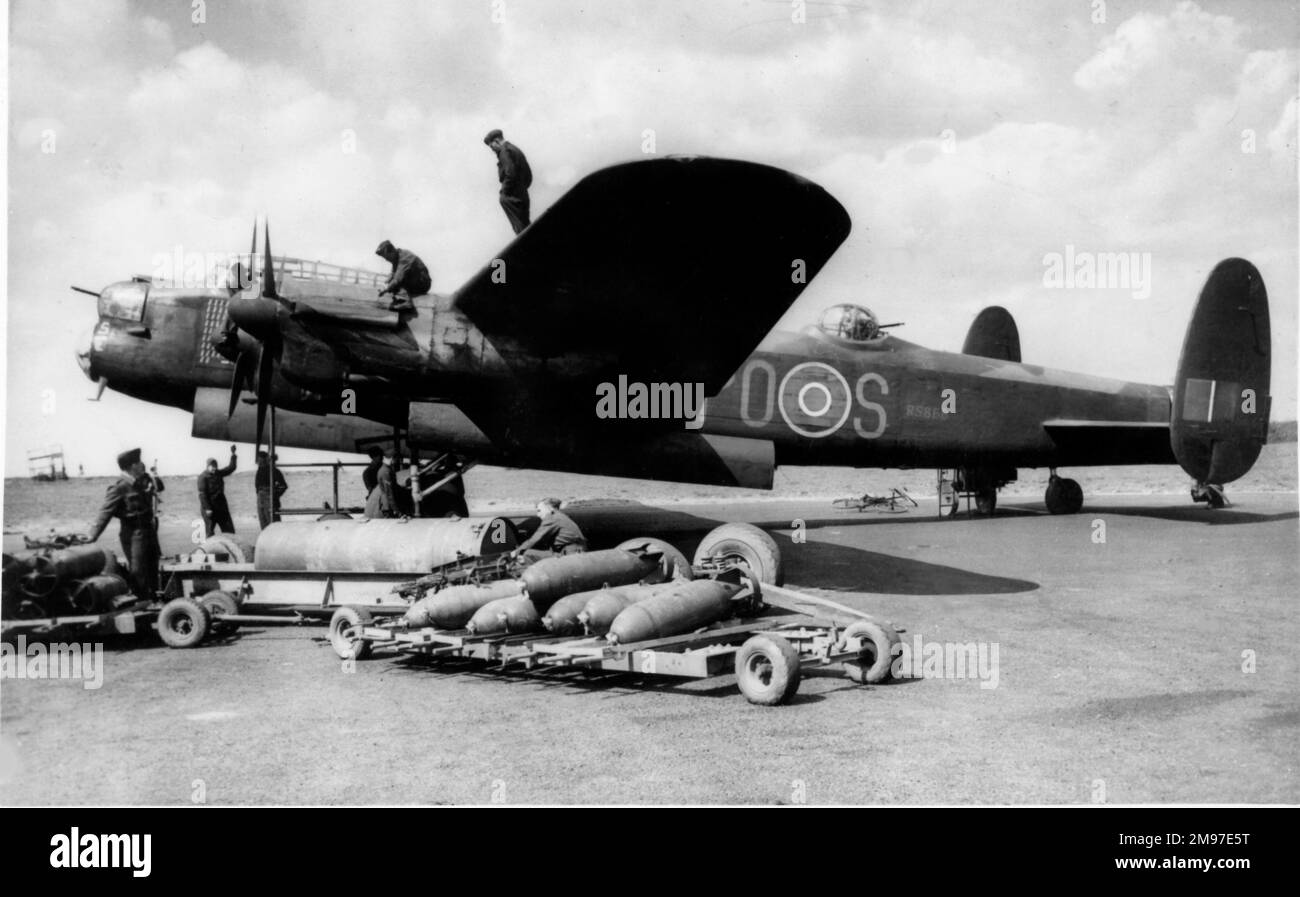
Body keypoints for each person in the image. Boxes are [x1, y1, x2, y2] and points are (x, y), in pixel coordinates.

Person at [86, 448, 163, 600]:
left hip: (149, 531)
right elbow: (104, 513)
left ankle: (154, 601)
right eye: (139, 462)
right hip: (134, 535)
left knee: (153, 566)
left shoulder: (141, 482)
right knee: (138, 571)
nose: (143, 464)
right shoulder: (119, 488)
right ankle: (140, 603)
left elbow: (159, 487)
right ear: (132, 466)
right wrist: (91, 537)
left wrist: (154, 476)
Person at [484, 129, 532, 234]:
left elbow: (510, 173)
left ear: (496, 141)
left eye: (492, 147)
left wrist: (504, 192)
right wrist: (522, 188)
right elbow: (528, 176)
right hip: (522, 194)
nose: (493, 150)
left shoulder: (504, 152)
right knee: (526, 228)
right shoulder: (514, 149)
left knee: (521, 231)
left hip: (513, 198)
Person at [512, 498, 586, 564]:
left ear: (549, 508)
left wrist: (516, 552)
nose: (538, 514)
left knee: (527, 554)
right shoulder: (561, 516)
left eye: (539, 510)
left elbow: (534, 539)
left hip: (568, 555)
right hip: (577, 553)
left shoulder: (551, 518)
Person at [375, 241, 431, 311]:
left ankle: (405, 302)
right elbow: (393, 273)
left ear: (392, 251)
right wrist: (385, 283)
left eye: (387, 257)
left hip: (423, 283)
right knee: (392, 283)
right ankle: (401, 299)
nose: (386, 260)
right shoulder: (397, 257)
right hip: (415, 281)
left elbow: (397, 279)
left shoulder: (404, 257)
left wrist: (386, 289)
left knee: (396, 282)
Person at [197, 447, 238, 536]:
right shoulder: (202, 477)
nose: (214, 468)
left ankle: (229, 549)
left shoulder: (218, 473)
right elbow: (202, 495)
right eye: (212, 466)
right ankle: (209, 549)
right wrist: (207, 508)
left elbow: (231, 468)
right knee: (209, 533)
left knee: (229, 532)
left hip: (221, 507)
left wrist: (233, 455)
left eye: (216, 466)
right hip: (210, 509)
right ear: (208, 466)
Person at [255, 451, 288, 529]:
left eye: (261, 460)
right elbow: (257, 485)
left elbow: (283, 486)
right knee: (263, 524)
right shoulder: (259, 471)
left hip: (269, 500)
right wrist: (259, 493)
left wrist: (274, 495)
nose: (259, 462)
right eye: (259, 460)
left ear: (265, 460)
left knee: (274, 526)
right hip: (260, 500)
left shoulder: (273, 471)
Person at [363, 449, 400, 519]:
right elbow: (388, 492)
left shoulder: (381, 469)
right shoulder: (384, 471)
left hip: (381, 502)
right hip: (384, 504)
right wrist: (395, 509)